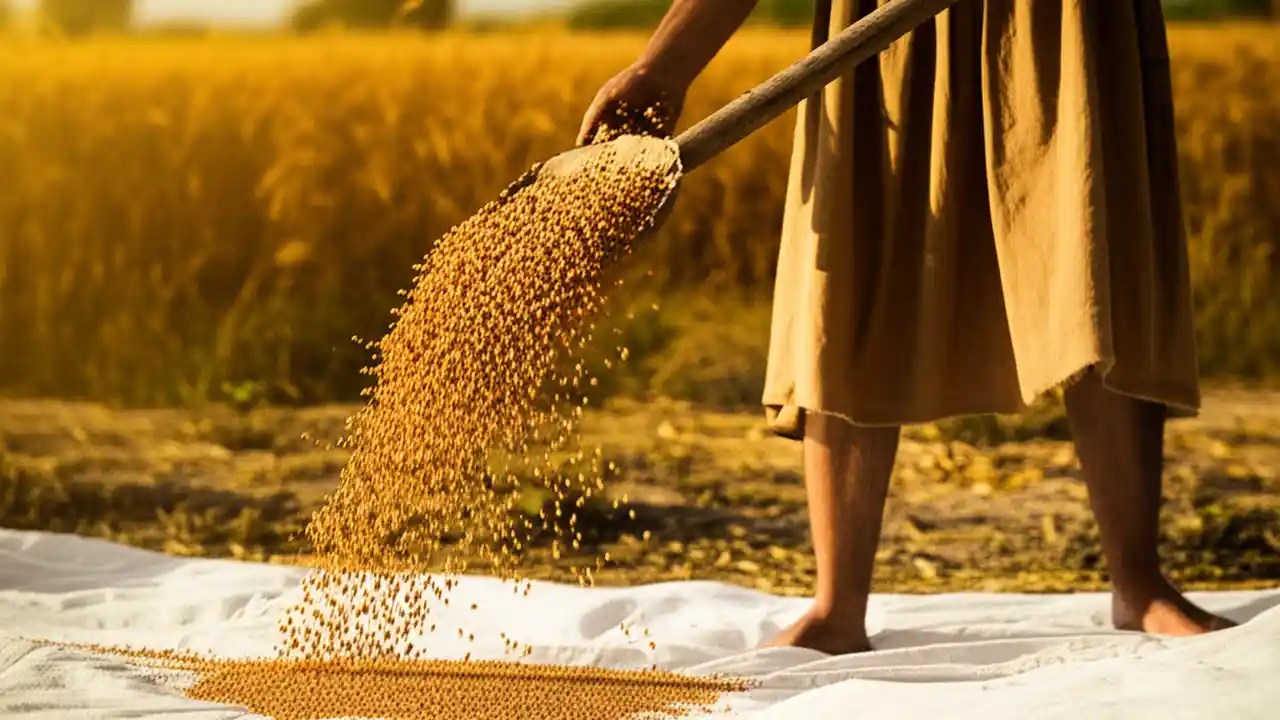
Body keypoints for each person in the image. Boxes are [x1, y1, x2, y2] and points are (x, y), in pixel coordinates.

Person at [578, 0, 1235, 655]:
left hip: (1064, 19)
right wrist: (662, 70)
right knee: (853, 270)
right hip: (883, 20)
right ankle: (837, 605)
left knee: (1094, 255)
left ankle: (1140, 584)